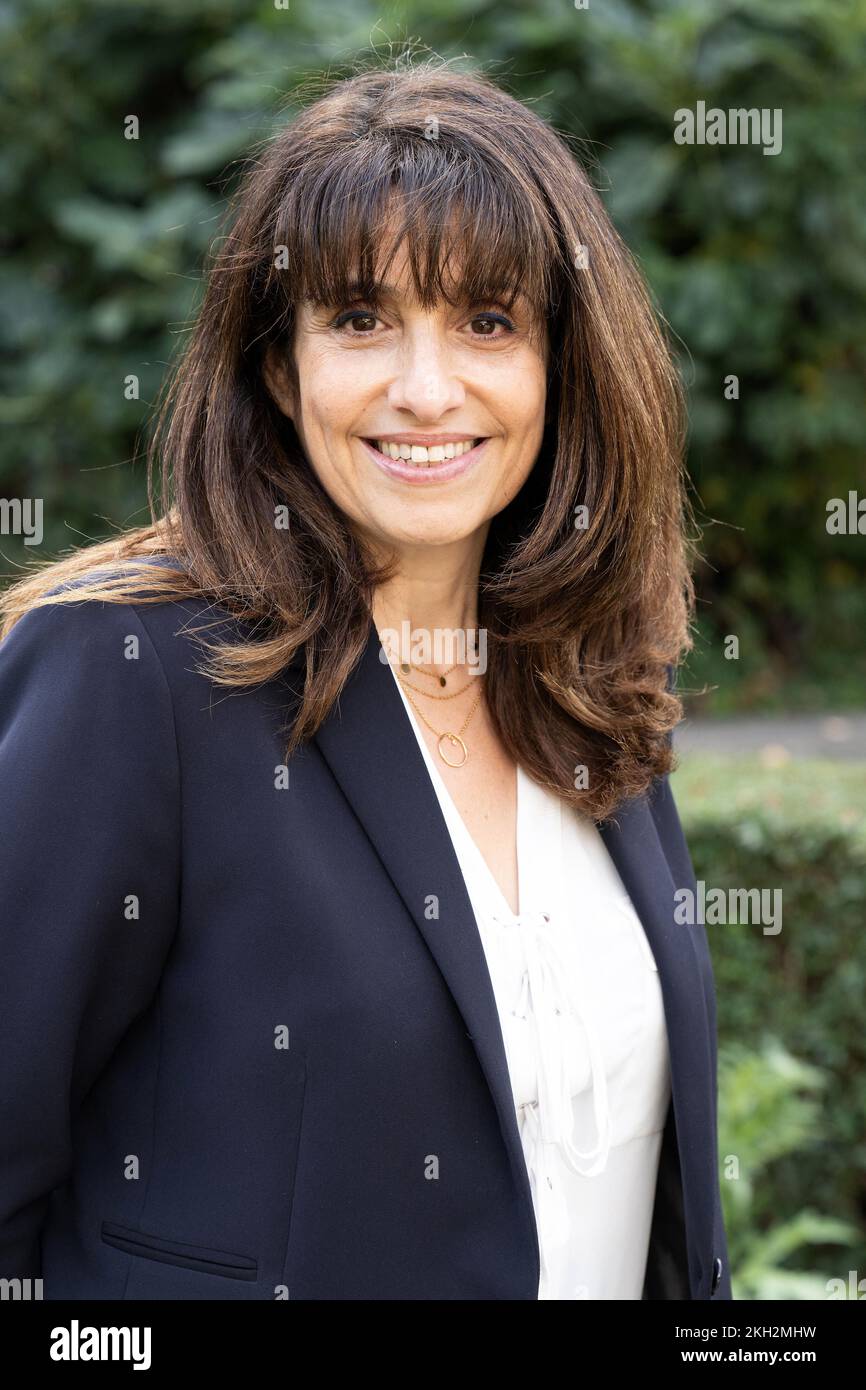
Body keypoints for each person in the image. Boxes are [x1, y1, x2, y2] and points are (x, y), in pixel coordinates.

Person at [0, 59, 731, 1300]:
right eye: (358, 319)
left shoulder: (590, 671)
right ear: (280, 368)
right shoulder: (127, 669)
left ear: (560, 367)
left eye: (487, 322)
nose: (427, 387)